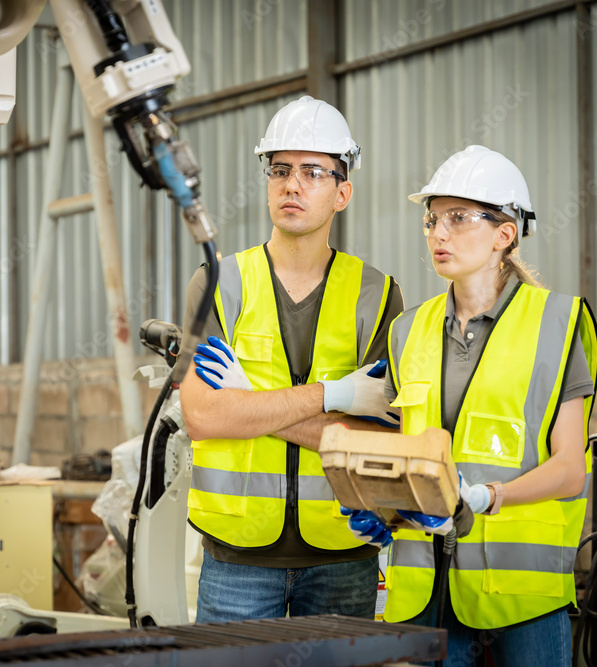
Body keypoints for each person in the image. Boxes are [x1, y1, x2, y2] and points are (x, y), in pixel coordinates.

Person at [345, 145, 597, 666]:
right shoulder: (406, 330)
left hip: (522, 598)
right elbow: (405, 457)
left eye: (458, 218)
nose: (439, 233)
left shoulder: (559, 323)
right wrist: (380, 509)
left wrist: (483, 497)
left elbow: (571, 470)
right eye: (433, 219)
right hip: (425, 593)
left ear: (505, 234)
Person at [179, 95, 404, 622]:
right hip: (236, 555)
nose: (291, 184)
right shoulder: (218, 285)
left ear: (342, 192)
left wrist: (251, 405)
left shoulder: (377, 293)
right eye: (279, 169)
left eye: (312, 172)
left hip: (343, 552)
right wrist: (333, 396)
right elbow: (204, 416)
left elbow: (378, 440)